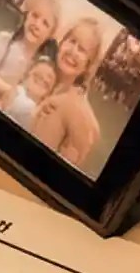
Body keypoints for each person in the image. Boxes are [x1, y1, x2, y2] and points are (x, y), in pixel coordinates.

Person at [30, 18, 105, 171]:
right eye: (72, 41)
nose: (73, 51)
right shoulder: (41, 77)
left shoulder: (72, 109)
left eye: (82, 50)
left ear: (87, 65)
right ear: (62, 43)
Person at [0, 57, 57, 127]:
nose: (45, 79)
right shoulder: (18, 90)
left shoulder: (40, 116)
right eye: (38, 75)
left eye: (47, 81)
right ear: (29, 72)